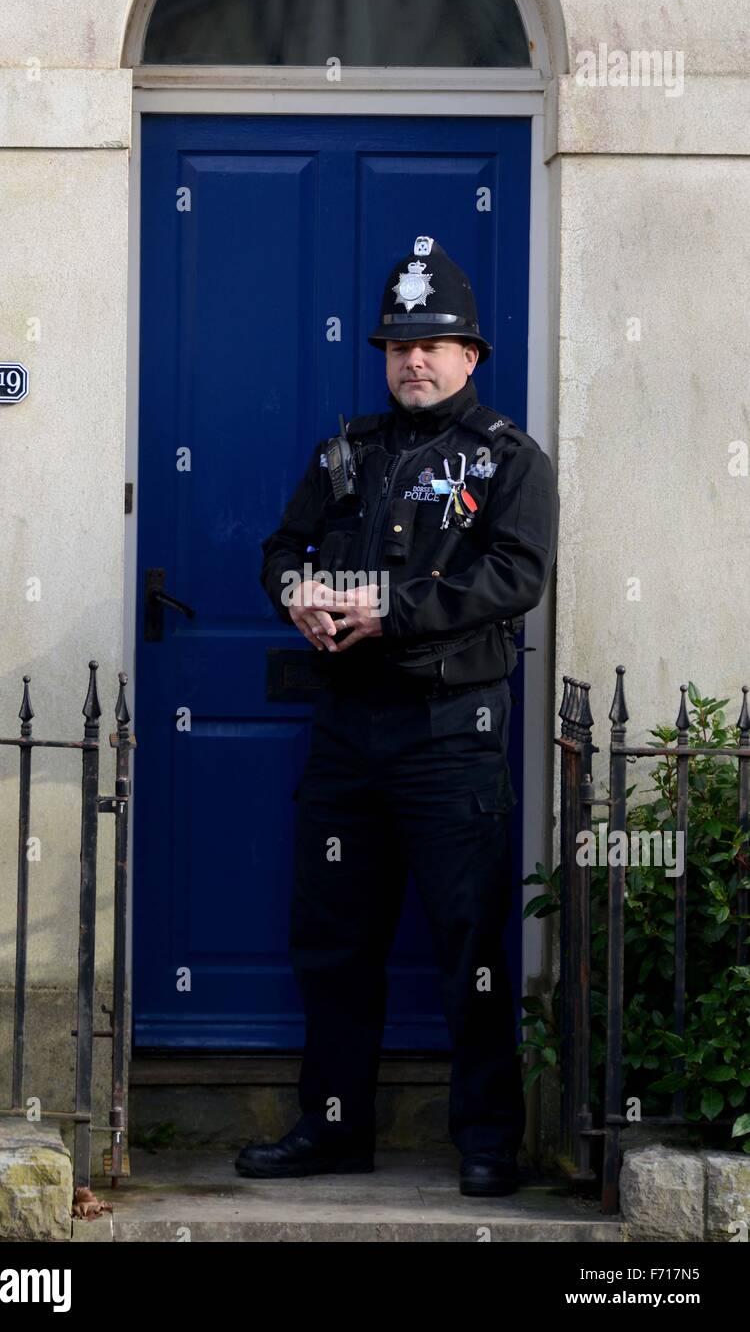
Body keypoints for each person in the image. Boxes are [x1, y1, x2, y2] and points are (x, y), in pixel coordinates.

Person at [236, 237, 559, 1197]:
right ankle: (333, 1129)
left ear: (471, 355)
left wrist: (394, 609)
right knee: (334, 942)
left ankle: (489, 1139)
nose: (412, 361)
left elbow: (519, 575)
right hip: (346, 731)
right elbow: (280, 547)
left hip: (450, 733)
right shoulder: (347, 453)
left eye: (434, 344)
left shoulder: (509, 458)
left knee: (469, 940)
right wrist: (296, 592)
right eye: (397, 346)